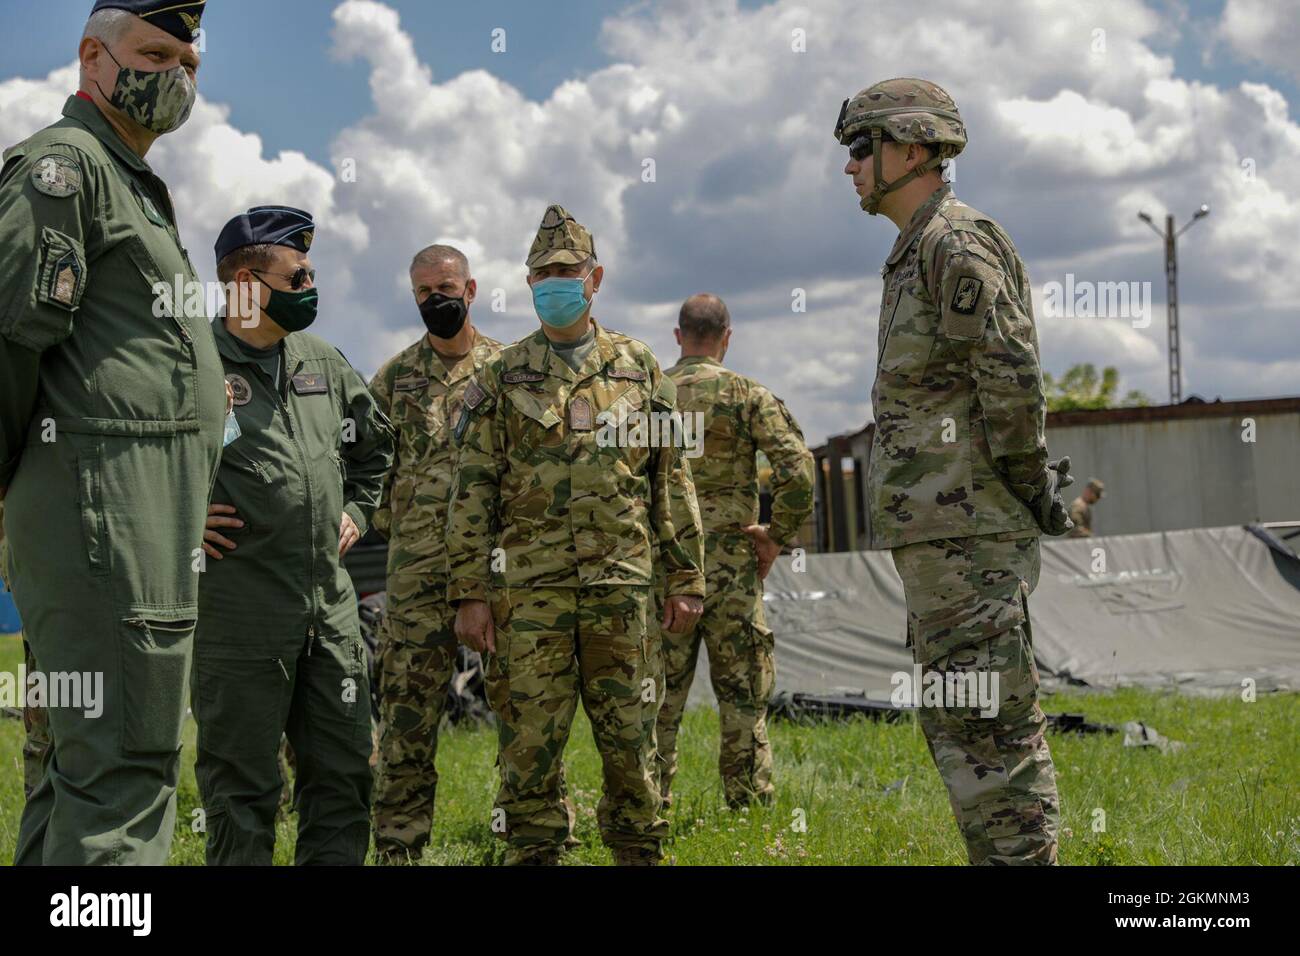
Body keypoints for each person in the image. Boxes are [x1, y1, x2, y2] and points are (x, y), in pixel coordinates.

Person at [0, 0, 226, 865]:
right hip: (105, 522)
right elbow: (13, 338)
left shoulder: (124, 177)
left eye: (189, 63)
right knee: (125, 775)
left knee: (77, 774)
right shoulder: (66, 169)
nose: (176, 76)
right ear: (93, 56)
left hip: (131, 521)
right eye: (155, 52)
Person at [836, 78, 1072, 864]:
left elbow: (1009, 376)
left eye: (861, 148)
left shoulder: (953, 243)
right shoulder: (916, 249)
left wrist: (1028, 485)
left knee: (989, 728)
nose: (851, 168)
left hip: (970, 535)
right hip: (945, 538)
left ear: (911, 148)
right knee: (963, 721)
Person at [446, 204, 706, 865]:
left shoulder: (643, 369)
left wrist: (688, 578)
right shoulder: (501, 375)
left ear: (595, 279)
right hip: (529, 599)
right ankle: (534, 854)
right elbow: (472, 487)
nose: (552, 283)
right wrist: (469, 593)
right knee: (528, 749)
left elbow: (670, 482)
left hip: (622, 589)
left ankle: (637, 852)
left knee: (630, 746)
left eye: (565, 272)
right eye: (541, 274)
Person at [193, 205, 394, 865]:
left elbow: (375, 452)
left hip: (329, 616)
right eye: (298, 274)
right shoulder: (187, 363)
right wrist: (184, 518)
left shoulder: (322, 361)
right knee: (243, 788)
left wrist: (359, 514)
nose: (311, 287)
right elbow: (131, 462)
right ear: (247, 284)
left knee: (343, 776)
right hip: (239, 616)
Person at [367, 244, 504, 864]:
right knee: (406, 724)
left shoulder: (509, 370)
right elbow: (365, 470)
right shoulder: (393, 379)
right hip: (416, 579)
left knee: (526, 715)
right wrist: (392, 521)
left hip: (500, 576)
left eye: (445, 288)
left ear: (471, 289)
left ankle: (532, 841)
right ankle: (399, 849)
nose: (435, 301)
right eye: (423, 292)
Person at [654, 294, 814, 810]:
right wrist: (775, 535)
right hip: (732, 568)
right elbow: (798, 468)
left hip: (667, 571)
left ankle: (647, 808)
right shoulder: (746, 394)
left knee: (656, 702)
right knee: (743, 699)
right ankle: (747, 808)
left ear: (678, 336)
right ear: (727, 337)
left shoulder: (649, 396)